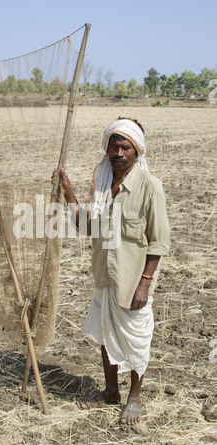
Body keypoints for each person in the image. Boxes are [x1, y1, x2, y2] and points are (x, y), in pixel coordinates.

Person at [55, 117, 170, 426]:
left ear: (137, 151)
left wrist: (145, 283)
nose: (119, 152)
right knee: (106, 334)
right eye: (113, 146)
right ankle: (110, 391)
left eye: (126, 147)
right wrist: (68, 192)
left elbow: (159, 242)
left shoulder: (149, 187)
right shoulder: (104, 185)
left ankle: (134, 397)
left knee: (136, 338)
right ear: (106, 150)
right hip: (105, 277)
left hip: (133, 281)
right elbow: (85, 226)